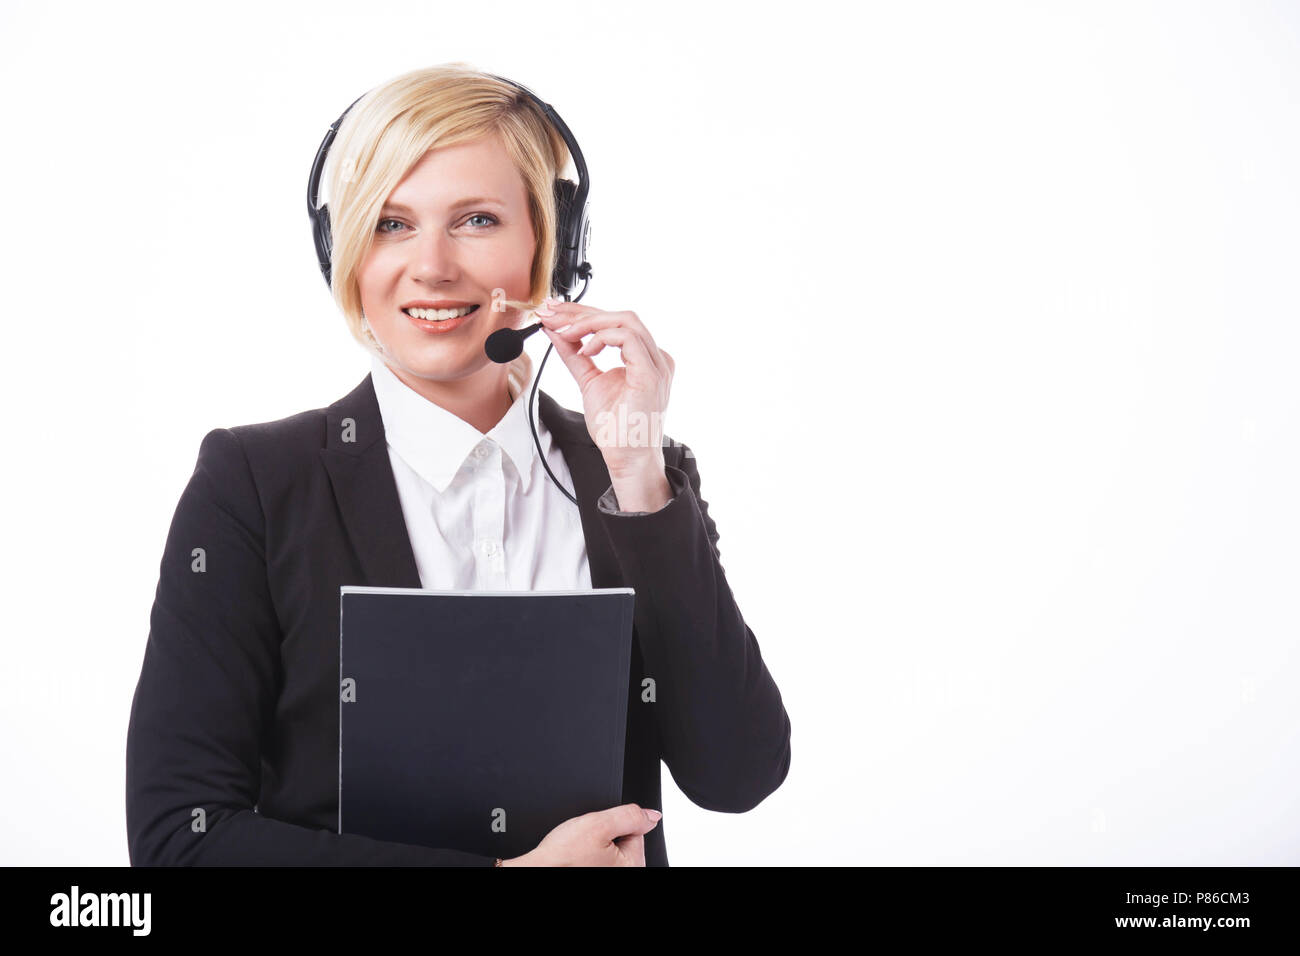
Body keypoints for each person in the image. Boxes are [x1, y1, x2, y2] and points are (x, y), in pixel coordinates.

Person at [125, 63, 791, 867]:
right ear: (346, 253)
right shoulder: (255, 487)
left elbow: (738, 774)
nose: (433, 266)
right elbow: (179, 841)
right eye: (391, 224)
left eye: (476, 220)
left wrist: (640, 477)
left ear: (551, 243)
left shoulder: (633, 477)